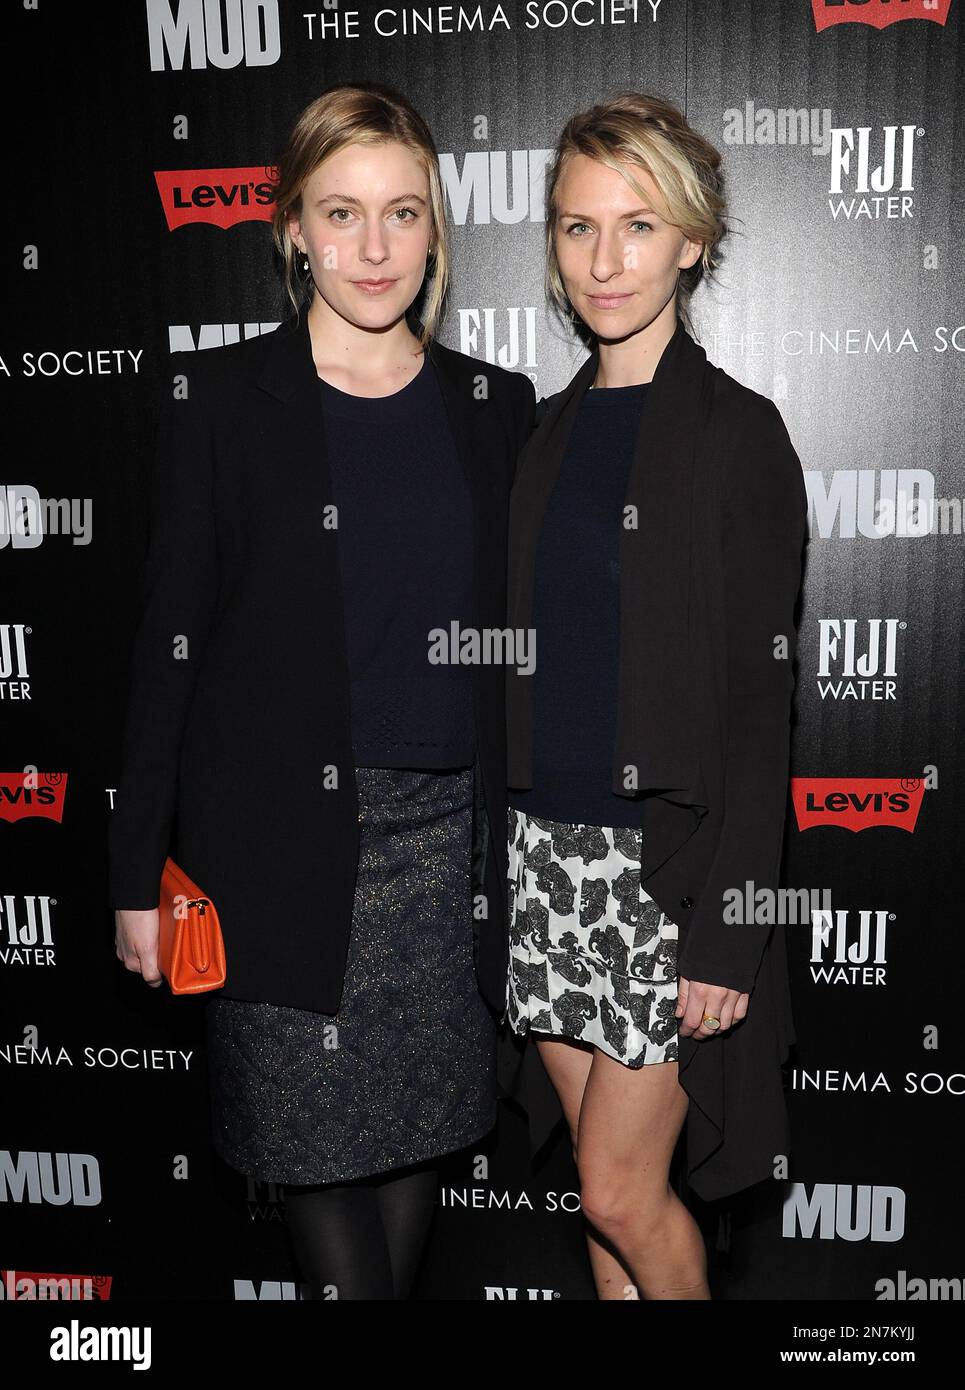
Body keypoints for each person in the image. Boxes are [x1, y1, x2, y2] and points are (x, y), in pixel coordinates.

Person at [110, 81, 535, 1300]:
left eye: (402, 213)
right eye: (339, 213)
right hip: (275, 862)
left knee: (405, 1202)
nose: (373, 247)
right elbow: (165, 648)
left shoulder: (490, 410)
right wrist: (137, 872)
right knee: (328, 1223)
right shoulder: (223, 406)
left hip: (447, 861)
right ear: (290, 226)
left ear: (435, 230)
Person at [501, 92, 809, 1299]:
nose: (604, 259)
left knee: (623, 1190)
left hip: (663, 875)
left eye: (637, 226)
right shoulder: (538, 435)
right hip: (540, 863)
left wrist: (728, 930)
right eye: (577, 229)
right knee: (602, 1199)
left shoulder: (739, 436)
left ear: (691, 239)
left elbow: (755, 706)